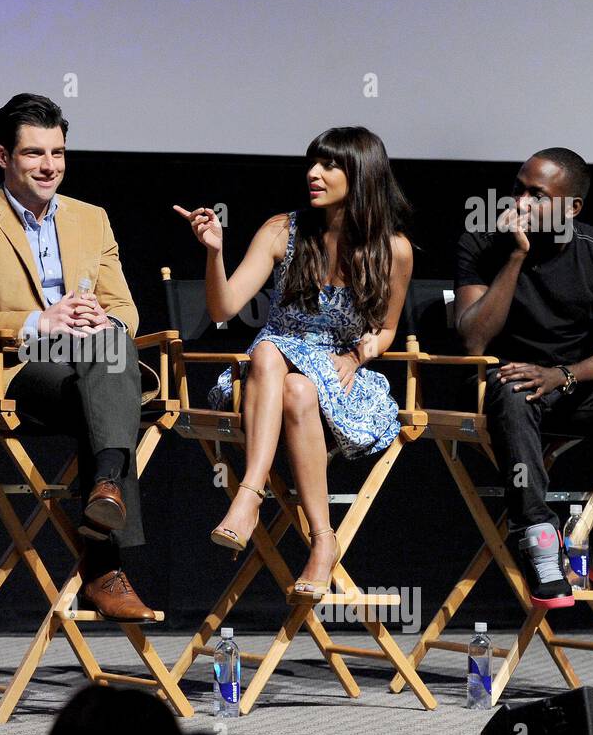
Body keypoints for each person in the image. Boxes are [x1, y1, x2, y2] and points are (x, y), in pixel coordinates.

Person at [0, 93, 157, 621]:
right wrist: (38, 322)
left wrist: (108, 322)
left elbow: (125, 308)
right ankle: (106, 566)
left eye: (58, 153)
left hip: (92, 361)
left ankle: (106, 488)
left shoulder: (91, 219)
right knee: (107, 382)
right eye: (34, 153)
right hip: (17, 365)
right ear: (2, 156)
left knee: (111, 349)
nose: (49, 166)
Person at [175, 126, 414, 599]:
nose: (314, 174)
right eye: (312, 163)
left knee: (292, 376)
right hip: (268, 378)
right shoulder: (281, 231)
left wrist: (358, 353)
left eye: (328, 165)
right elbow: (224, 309)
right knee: (277, 363)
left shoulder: (393, 250)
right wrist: (215, 252)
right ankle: (322, 540)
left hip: (341, 377)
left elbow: (386, 329)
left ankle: (249, 496)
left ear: (361, 175)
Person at [455, 148, 593, 608]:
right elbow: (475, 341)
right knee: (512, 386)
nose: (519, 202)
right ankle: (537, 538)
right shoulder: (483, 243)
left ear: (572, 208)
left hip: (576, 387)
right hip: (511, 390)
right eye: (518, 189)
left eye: (537, 195)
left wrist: (561, 375)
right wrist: (515, 257)